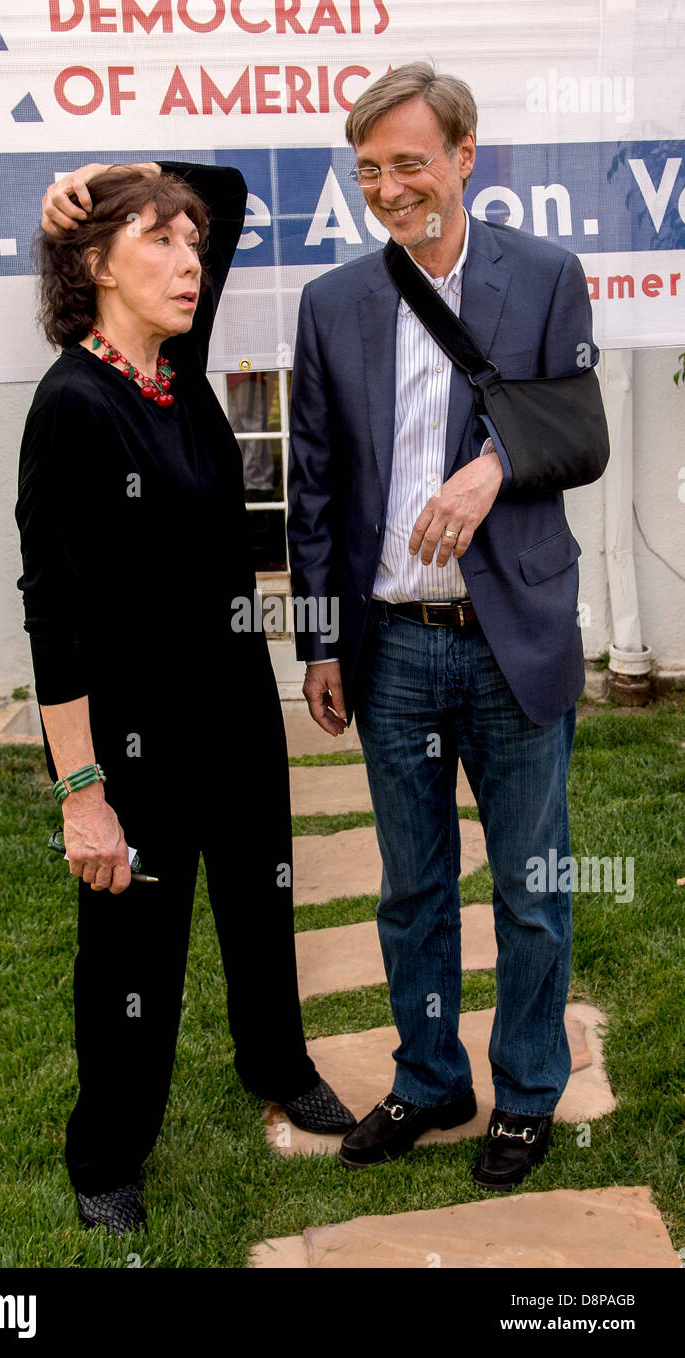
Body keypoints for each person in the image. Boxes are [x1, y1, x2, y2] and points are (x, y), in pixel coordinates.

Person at [15, 159, 353, 1237]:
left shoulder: (178, 372)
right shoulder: (74, 402)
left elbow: (226, 186)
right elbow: (52, 616)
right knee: (132, 952)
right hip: (135, 739)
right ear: (92, 262)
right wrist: (83, 791)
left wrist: (129, 178)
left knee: (260, 908)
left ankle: (277, 1061)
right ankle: (107, 1148)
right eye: (157, 239)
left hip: (237, 712)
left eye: (192, 245)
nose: (189, 260)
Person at [287, 62, 606, 1190]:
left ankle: (524, 1093)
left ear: (464, 157)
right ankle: (429, 1080)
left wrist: (491, 468)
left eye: (409, 162)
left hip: (510, 631)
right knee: (411, 885)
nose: (388, 187)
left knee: (528, 884)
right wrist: (319, 642)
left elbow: (578, 435)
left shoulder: (546, 275)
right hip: (392, 645)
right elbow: (313, 484)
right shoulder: (332, 301)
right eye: (368, 169)